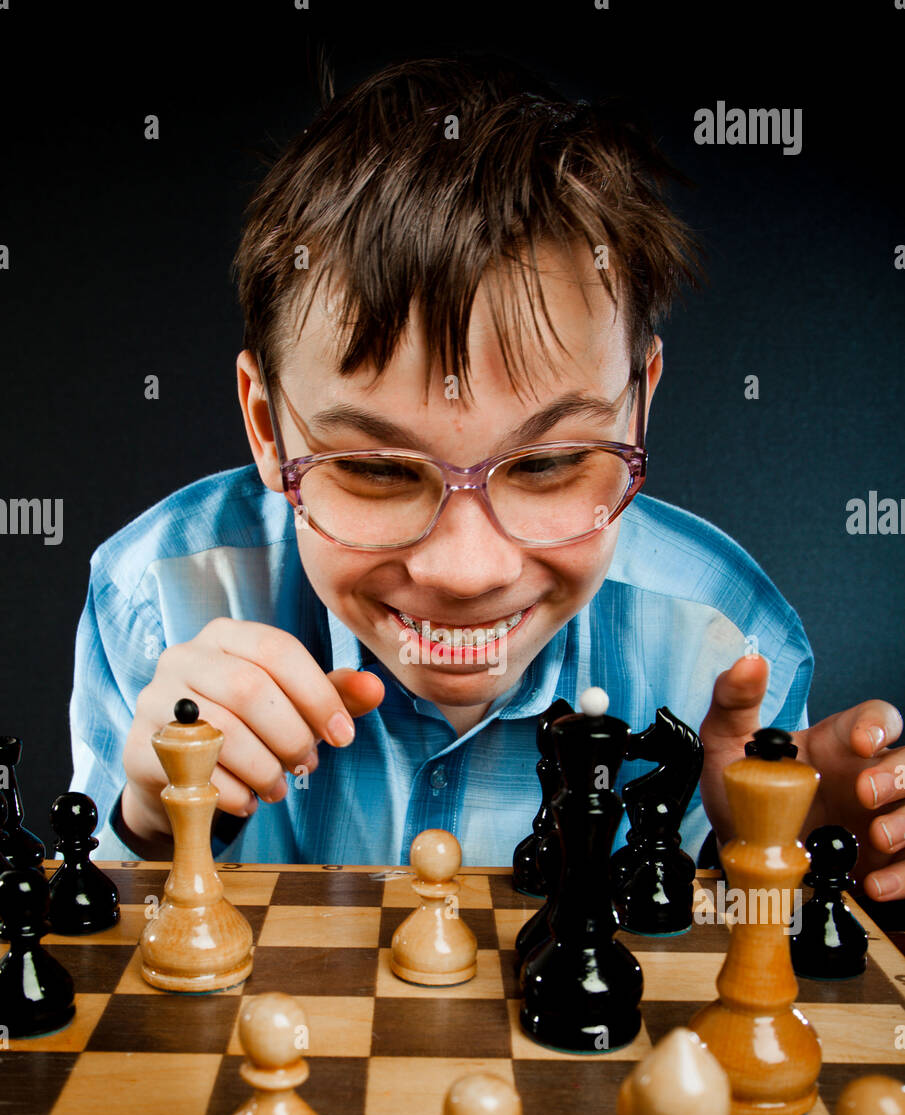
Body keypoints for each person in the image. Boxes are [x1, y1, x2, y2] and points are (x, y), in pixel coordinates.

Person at [69, 55, 904, 898]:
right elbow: (88, 944)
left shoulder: (729, 644)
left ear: (637, 413)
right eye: (372, 468)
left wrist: (783, 878)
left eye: (544, 463)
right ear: (265, 425)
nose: (466, 572)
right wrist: (146, 825)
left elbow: (753, 956)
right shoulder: (155, 603)